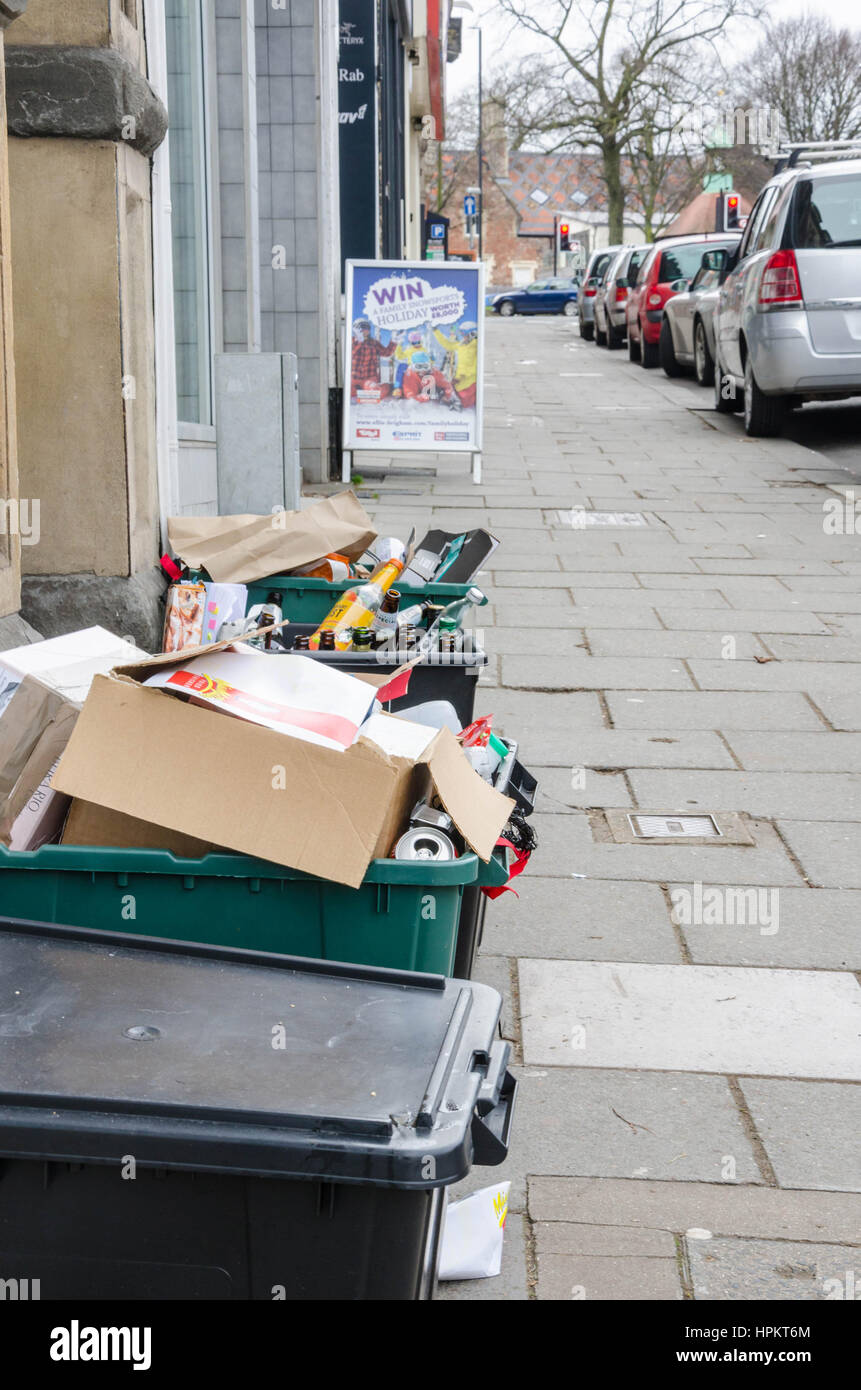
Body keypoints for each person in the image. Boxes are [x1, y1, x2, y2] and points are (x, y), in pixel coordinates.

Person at [432, 320, 478, 407]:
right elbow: (447, 344)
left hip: (469, 382)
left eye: (464, 333)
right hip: (458, 381)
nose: (462, 336)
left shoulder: (476, 346)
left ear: (472, 333)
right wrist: (435, 331)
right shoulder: (461, 345)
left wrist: (460, 377)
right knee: (448, 391)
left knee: (464, 402)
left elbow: (475, 367)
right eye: (461, 333)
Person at [350, 318, 395, 400]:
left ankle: (384, 387)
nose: (364, 330)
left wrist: (394, 342)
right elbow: (352, 352)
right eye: (361, 327)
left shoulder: (373, 342)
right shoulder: (352, 341)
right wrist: (359, 341)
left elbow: (386, 353)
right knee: (348, 392)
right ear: (355, 329)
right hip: (354, 378)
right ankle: (363, 394)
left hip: (369, 378)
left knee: (376, 393)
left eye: (367, 328)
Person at [392, 329, 426, 397]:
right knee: (402, 366)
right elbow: (399, 356)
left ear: (420, 341)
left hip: (420, 368)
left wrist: (432, 360)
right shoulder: (409, 350)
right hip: (411, 367)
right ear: (411, 343)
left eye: (418, 342)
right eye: (414, 343)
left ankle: (428, 388)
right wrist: (399, 345)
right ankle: (398, 388)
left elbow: (428, 360)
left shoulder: (423, 350)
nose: (416, 345)